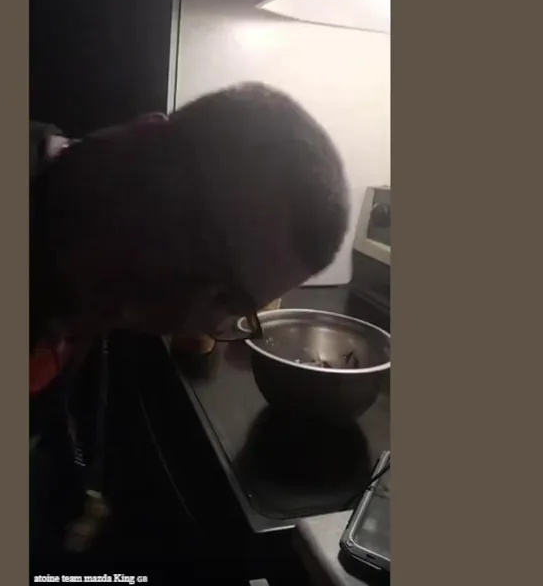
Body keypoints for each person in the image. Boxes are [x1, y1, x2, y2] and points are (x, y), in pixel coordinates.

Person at [29, 82, 350, 558]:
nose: (186, 321)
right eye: (199, 243)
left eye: (231, 304)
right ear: (142, 141)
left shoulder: (85, 263)